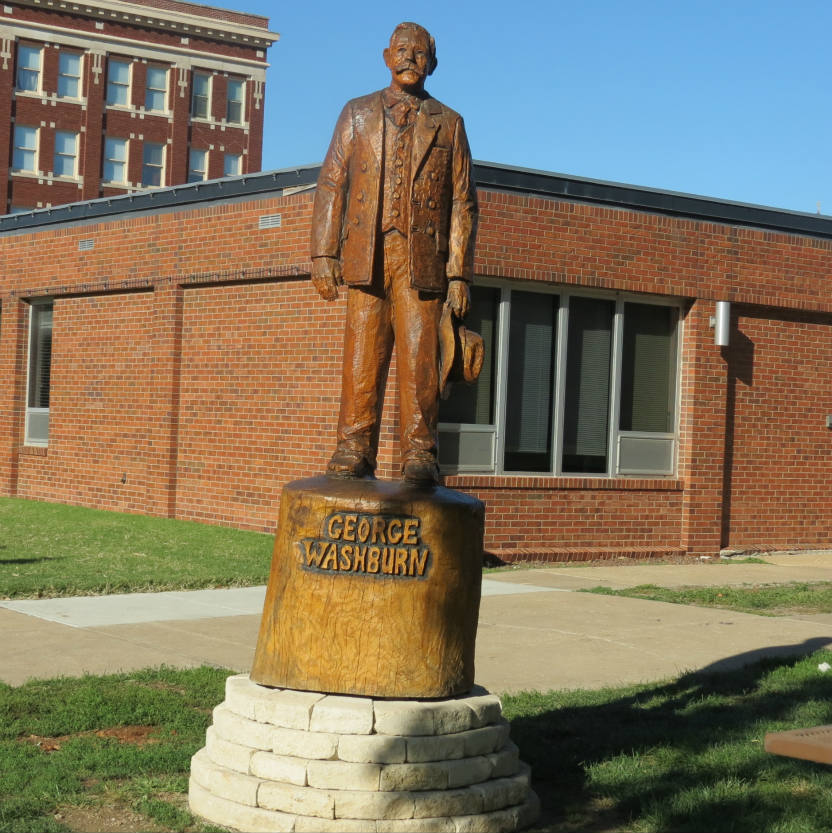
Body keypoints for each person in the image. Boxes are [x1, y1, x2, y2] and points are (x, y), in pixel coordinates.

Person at [310, 21, 478, 485]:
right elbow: (331, 183)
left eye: (419, 52)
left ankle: (420, 453)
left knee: (421, 357)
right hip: (366, 251)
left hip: (422, 257)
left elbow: (463, 202)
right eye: (401, 50)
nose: (409, 58)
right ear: (386, 56)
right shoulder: (357, 113)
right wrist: (323, 253)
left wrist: (459, 274)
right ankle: (354, 448)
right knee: (362, 353)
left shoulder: (450, 122)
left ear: (433, 64)